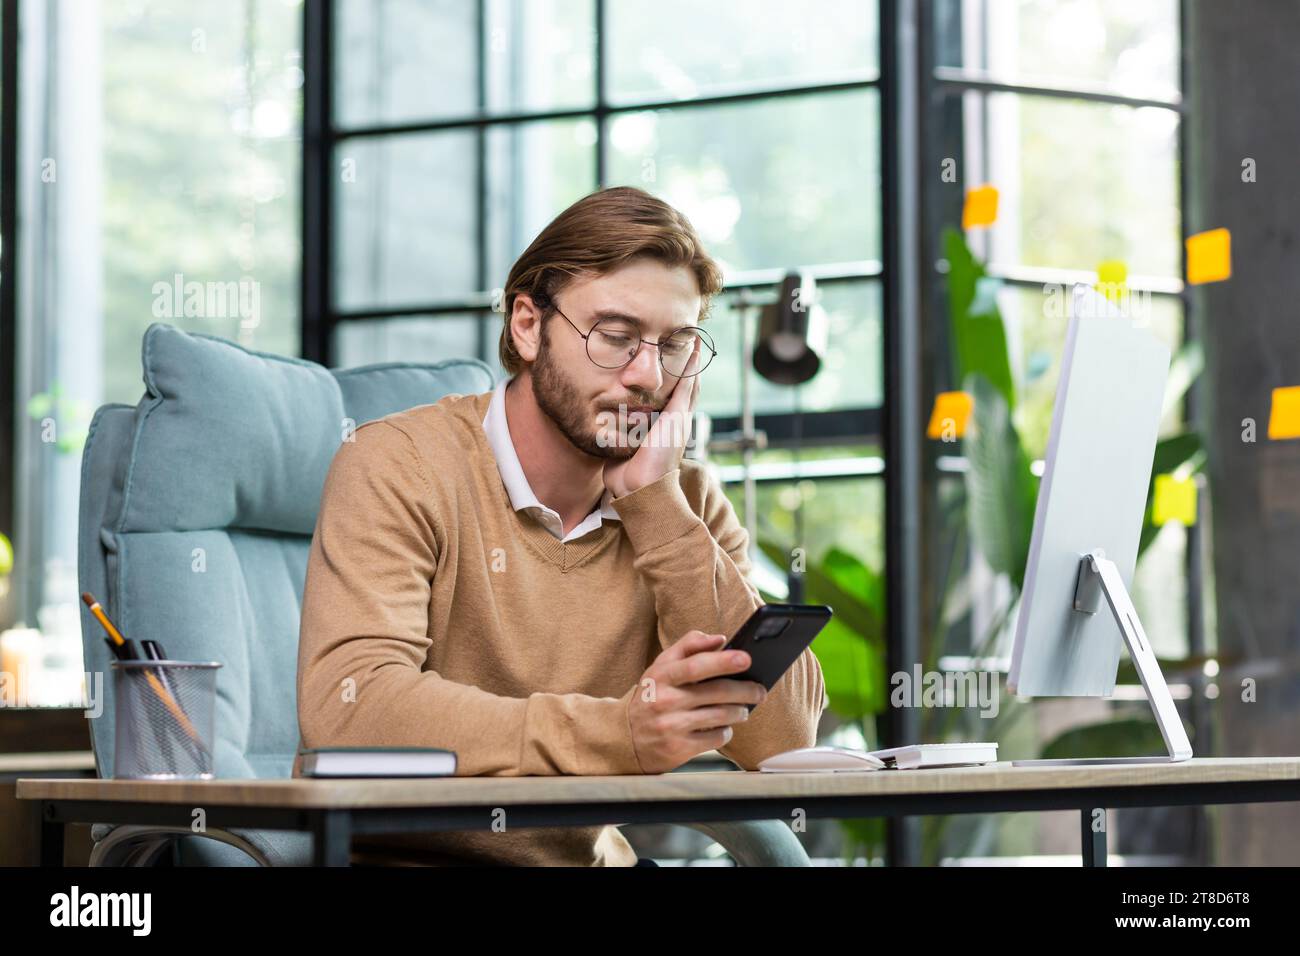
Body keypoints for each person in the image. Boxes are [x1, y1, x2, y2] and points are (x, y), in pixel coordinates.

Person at [293, 185, 828, 866]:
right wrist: (620, 732)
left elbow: (782, 745)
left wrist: (657, 508)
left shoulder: (682, 498)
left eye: (675, 345)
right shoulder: (399, 464)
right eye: (616, 337)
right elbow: (352, 711)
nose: (647, 375)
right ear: (526, 324)